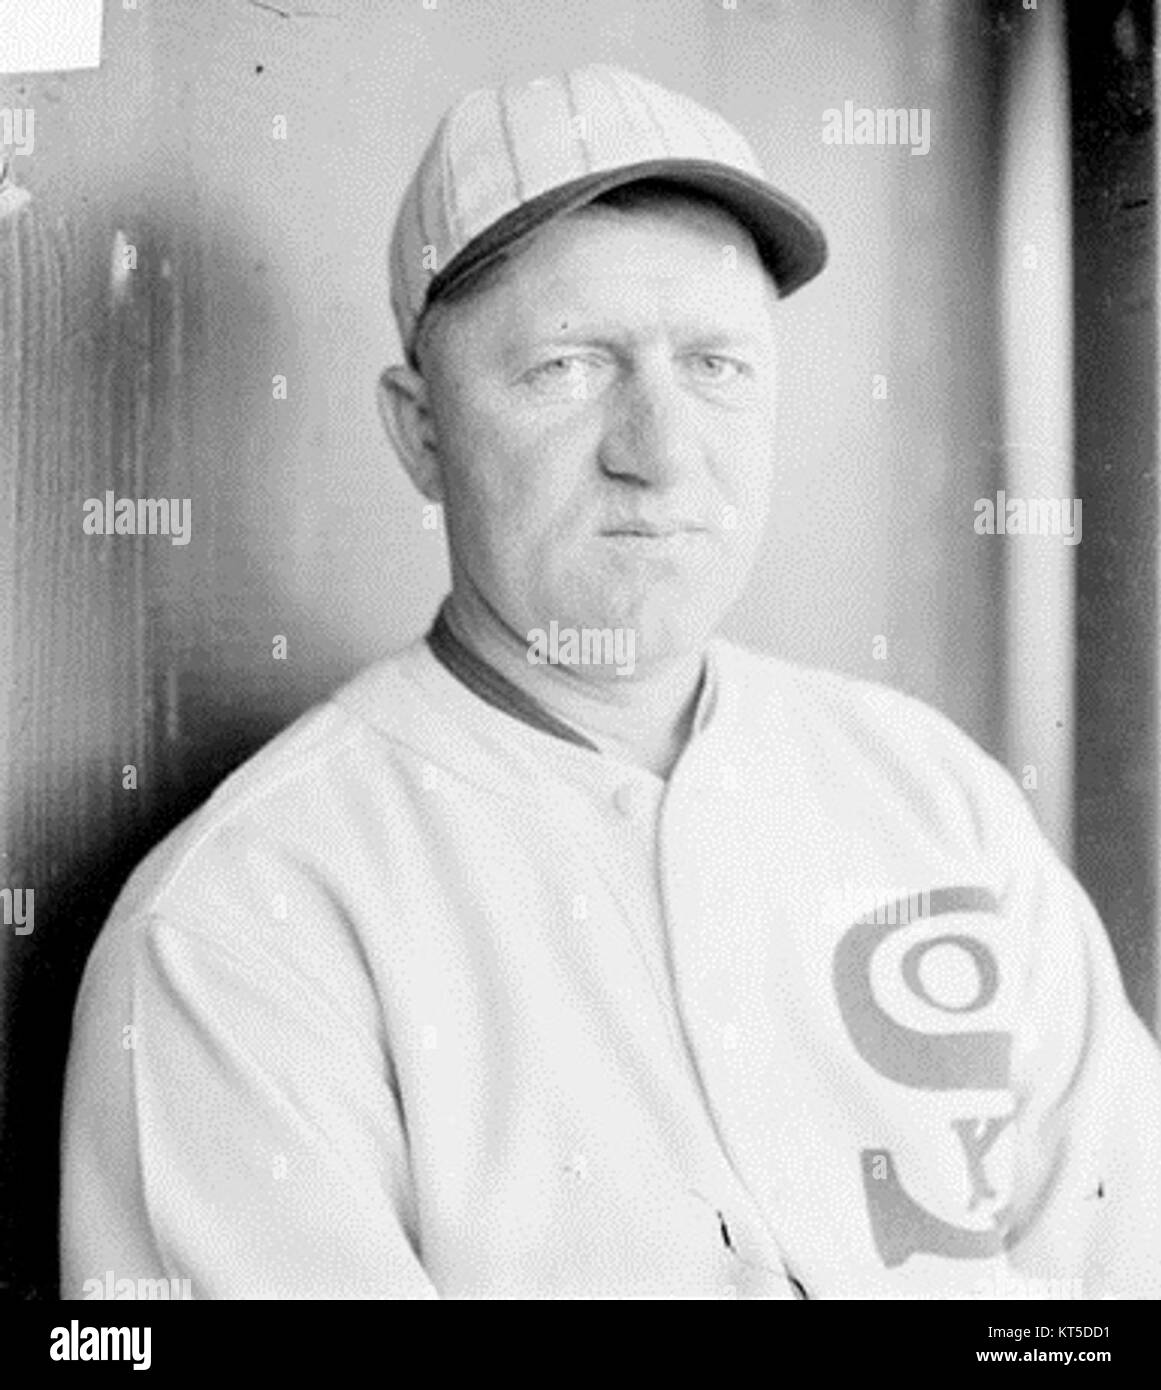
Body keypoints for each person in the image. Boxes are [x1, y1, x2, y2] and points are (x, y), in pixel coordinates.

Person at [61, 63, 1161, 1301]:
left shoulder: (933, 792)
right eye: (569, 368)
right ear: (421, 433)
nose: (661, 452)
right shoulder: (247, 919)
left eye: (717, 365)